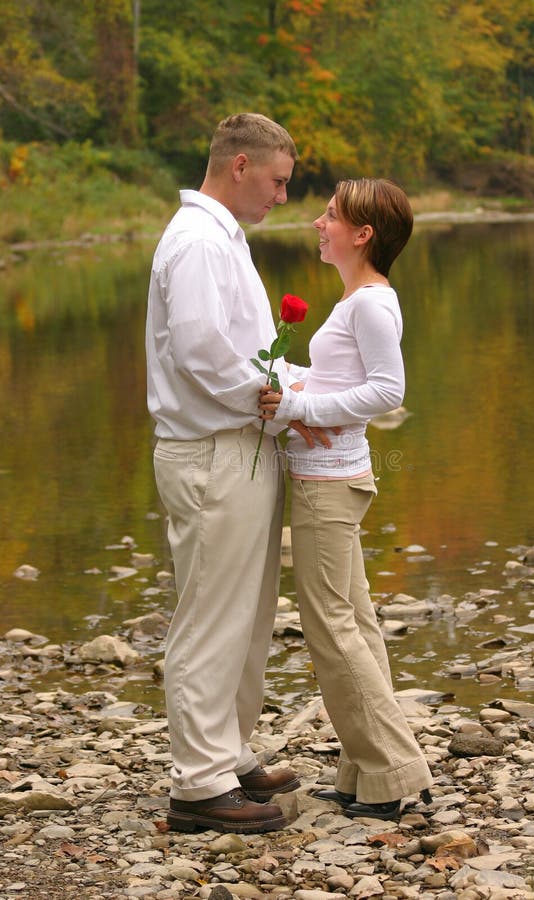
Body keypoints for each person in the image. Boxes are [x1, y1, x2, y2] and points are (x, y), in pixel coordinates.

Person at [146, 113, 315, 834]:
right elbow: (201, 353)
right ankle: (198, 783)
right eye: (278, 181)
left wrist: (296, 392)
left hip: (239, 444)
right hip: (211, 450)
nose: (282, 195)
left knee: (247, 613)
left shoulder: (223, 238)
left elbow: (241, 347)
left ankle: (227, 751)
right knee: (212, 614)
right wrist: (273, 402)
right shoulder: (195, 242)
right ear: (240, 165)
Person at [259, 178, 434, 820]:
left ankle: (394, 772)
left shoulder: (370, 304)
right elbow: (344, 379)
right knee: (354, 623)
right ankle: (364, 772)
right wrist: (289, 381)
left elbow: (388, 391)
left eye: (330, 215)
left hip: (328, 483)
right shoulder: (358, 300)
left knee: (332, 628)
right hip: (331, 477)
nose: (317, 222)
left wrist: (299, 406)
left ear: (362, 235)